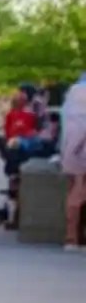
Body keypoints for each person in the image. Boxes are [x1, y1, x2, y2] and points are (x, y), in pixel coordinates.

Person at [60, 73, 86, 251]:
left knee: (73, 196)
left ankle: (72, 238)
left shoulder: (70, 100)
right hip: (82, 152)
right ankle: (75, 238)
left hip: (70, 152)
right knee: (79, 196)